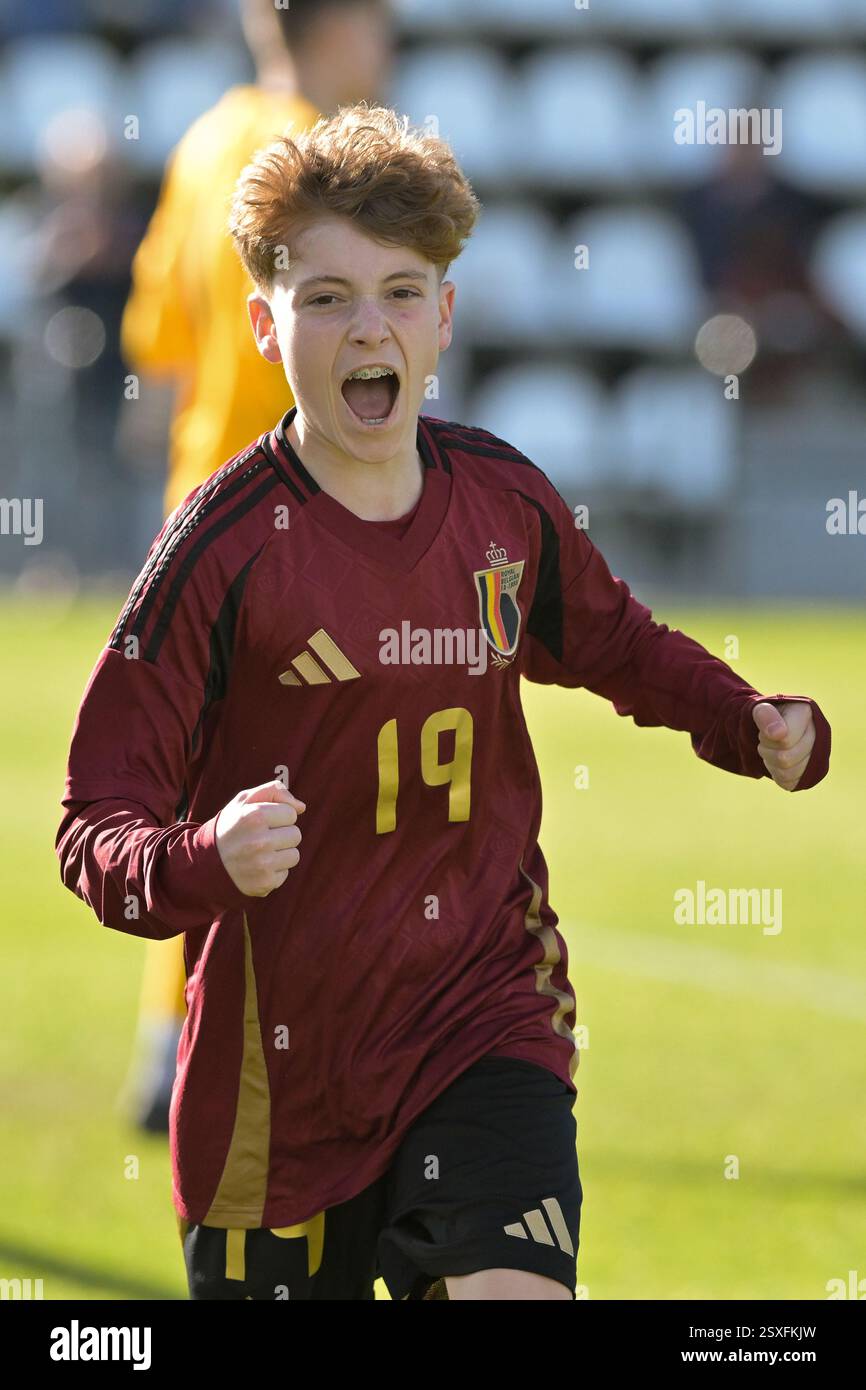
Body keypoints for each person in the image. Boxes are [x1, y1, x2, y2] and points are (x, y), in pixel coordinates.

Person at [56, 104, 831, 1301]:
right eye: (324, 298)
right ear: (264, 326)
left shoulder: (503, 503)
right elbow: (93, 823)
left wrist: (748, 720)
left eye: (401, 291)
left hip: (483, 1019)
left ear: (445, 318)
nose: (368, 325)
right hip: (278, 1087)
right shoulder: (215, 552)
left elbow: (617, 644)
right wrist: (201, 857)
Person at [118, 0, 393, 1132]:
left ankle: (164, 1050)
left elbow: (157, 341)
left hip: (193, 517)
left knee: (207, 791)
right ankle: (275, 1063)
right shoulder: (322, 164)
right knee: (322, 797)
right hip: (290, 518)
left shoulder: (200, 142)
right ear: (341, 27)